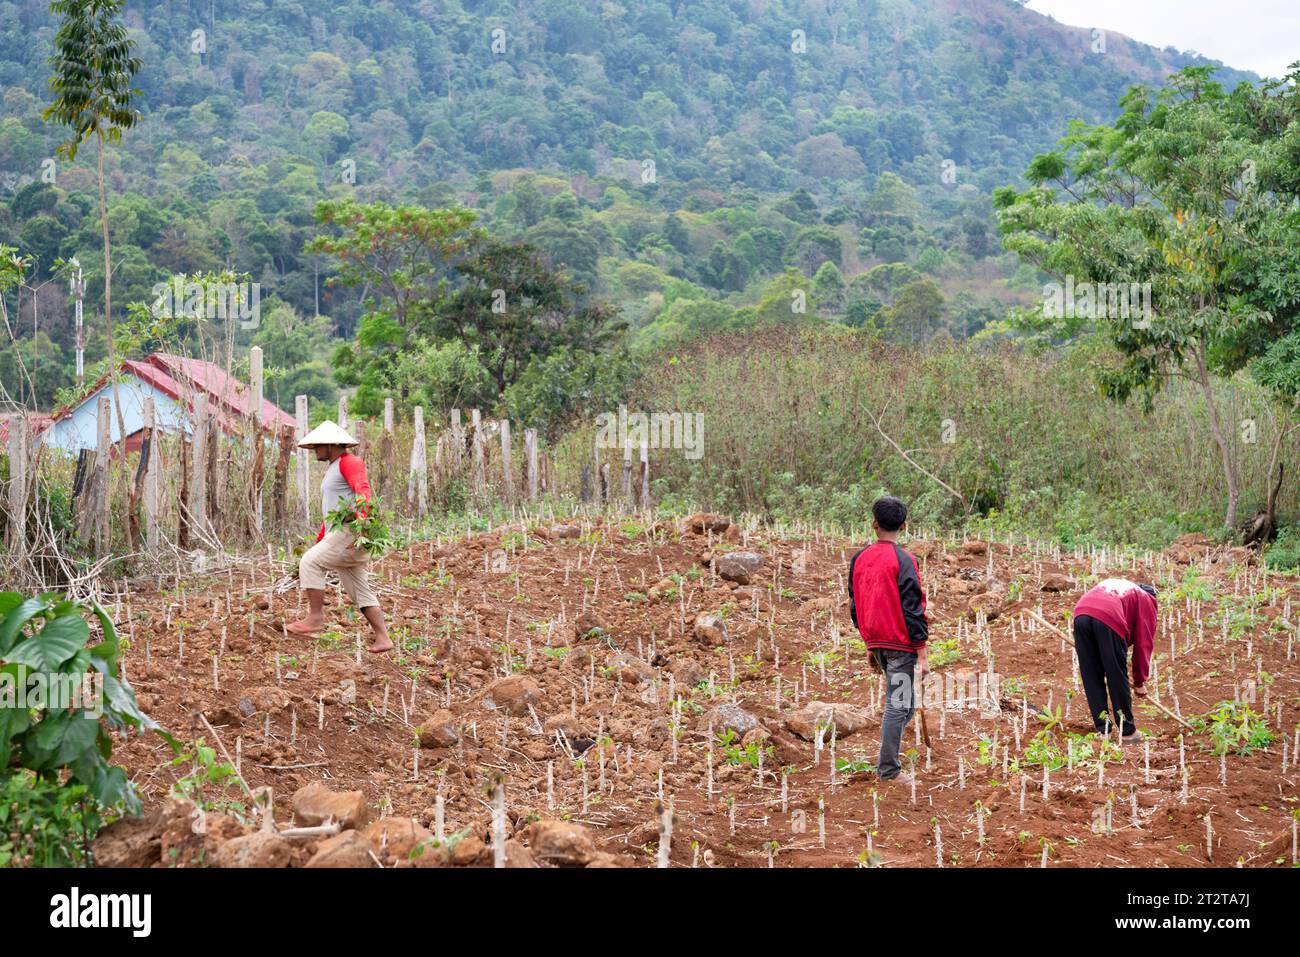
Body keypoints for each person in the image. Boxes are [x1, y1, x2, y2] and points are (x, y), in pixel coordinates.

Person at [287, 420, 393, 653]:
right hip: (340, 532)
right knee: (359, 588)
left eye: (318, 446)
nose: (315, 450)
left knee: (310, 562)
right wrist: (321, 540)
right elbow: (332, 511)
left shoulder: (350, 462)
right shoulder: (334, 468)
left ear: (332, 444)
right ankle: (383, 637)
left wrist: (363, 524)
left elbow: (362, 491)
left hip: (350, 531)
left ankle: (315, 618)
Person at [848, 496, 929, 783]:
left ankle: (888, 754)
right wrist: (921, 651)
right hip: (900, 646)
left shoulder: (859, 559)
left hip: (879, 642)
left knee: (904, 704)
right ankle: (889, 770)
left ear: (874, 525)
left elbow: (856, 604)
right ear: (904, 526)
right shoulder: (904, 560)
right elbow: (913, 606)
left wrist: (870, 643)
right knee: (898, 705)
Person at [1072, 579, 1157, 741]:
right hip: (1108, 617)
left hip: (1081, 614)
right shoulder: (1146, 599)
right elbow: (1143, 644)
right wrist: (1139, 682)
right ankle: (1127, 732)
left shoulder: (1122, 588)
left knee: (1091, 675)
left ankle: (1103, 730)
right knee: (1116, 674)